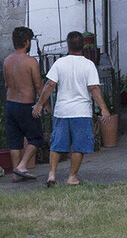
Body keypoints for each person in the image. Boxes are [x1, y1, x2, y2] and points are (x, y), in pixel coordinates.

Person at [36, 29, 107, 185]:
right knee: (78, 146)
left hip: (62, 111)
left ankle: (52, 175)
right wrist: (104, 109)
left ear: (68, 47)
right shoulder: (89, 65)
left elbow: (49, 85)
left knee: (56, 145)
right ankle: (72, 177)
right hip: (81, 112)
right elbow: (94, 89)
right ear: (83, 46)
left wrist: (40, 104)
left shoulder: (59, 63)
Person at [1, 26, 47, 183]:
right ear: (27, 42)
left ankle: (16, 173)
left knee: (15, 140)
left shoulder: (7, 61)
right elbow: (38, 85)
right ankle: (22, 166)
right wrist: (45, 104)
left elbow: (7, 84)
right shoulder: (30, 61)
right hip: (26, 105)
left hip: (10, 104)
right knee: (37, 138)